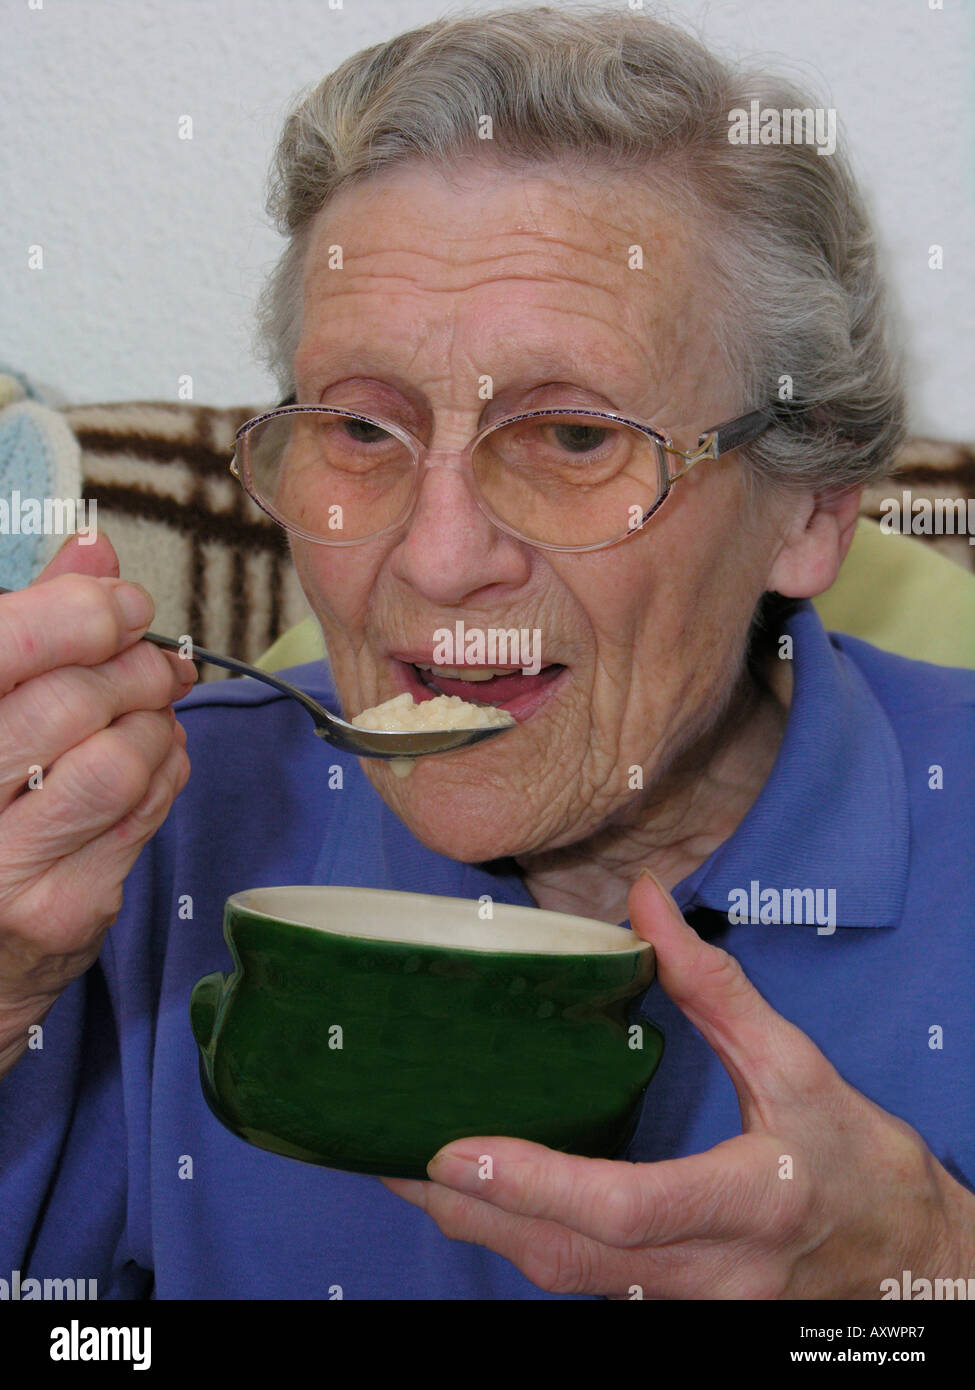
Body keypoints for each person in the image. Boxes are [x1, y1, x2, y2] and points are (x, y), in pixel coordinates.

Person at [1, 5, 972, 1300]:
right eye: (357, 426)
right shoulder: (126, 831)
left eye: (573, 438)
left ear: (808, 511)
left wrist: (929, 1271)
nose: (439, 555)